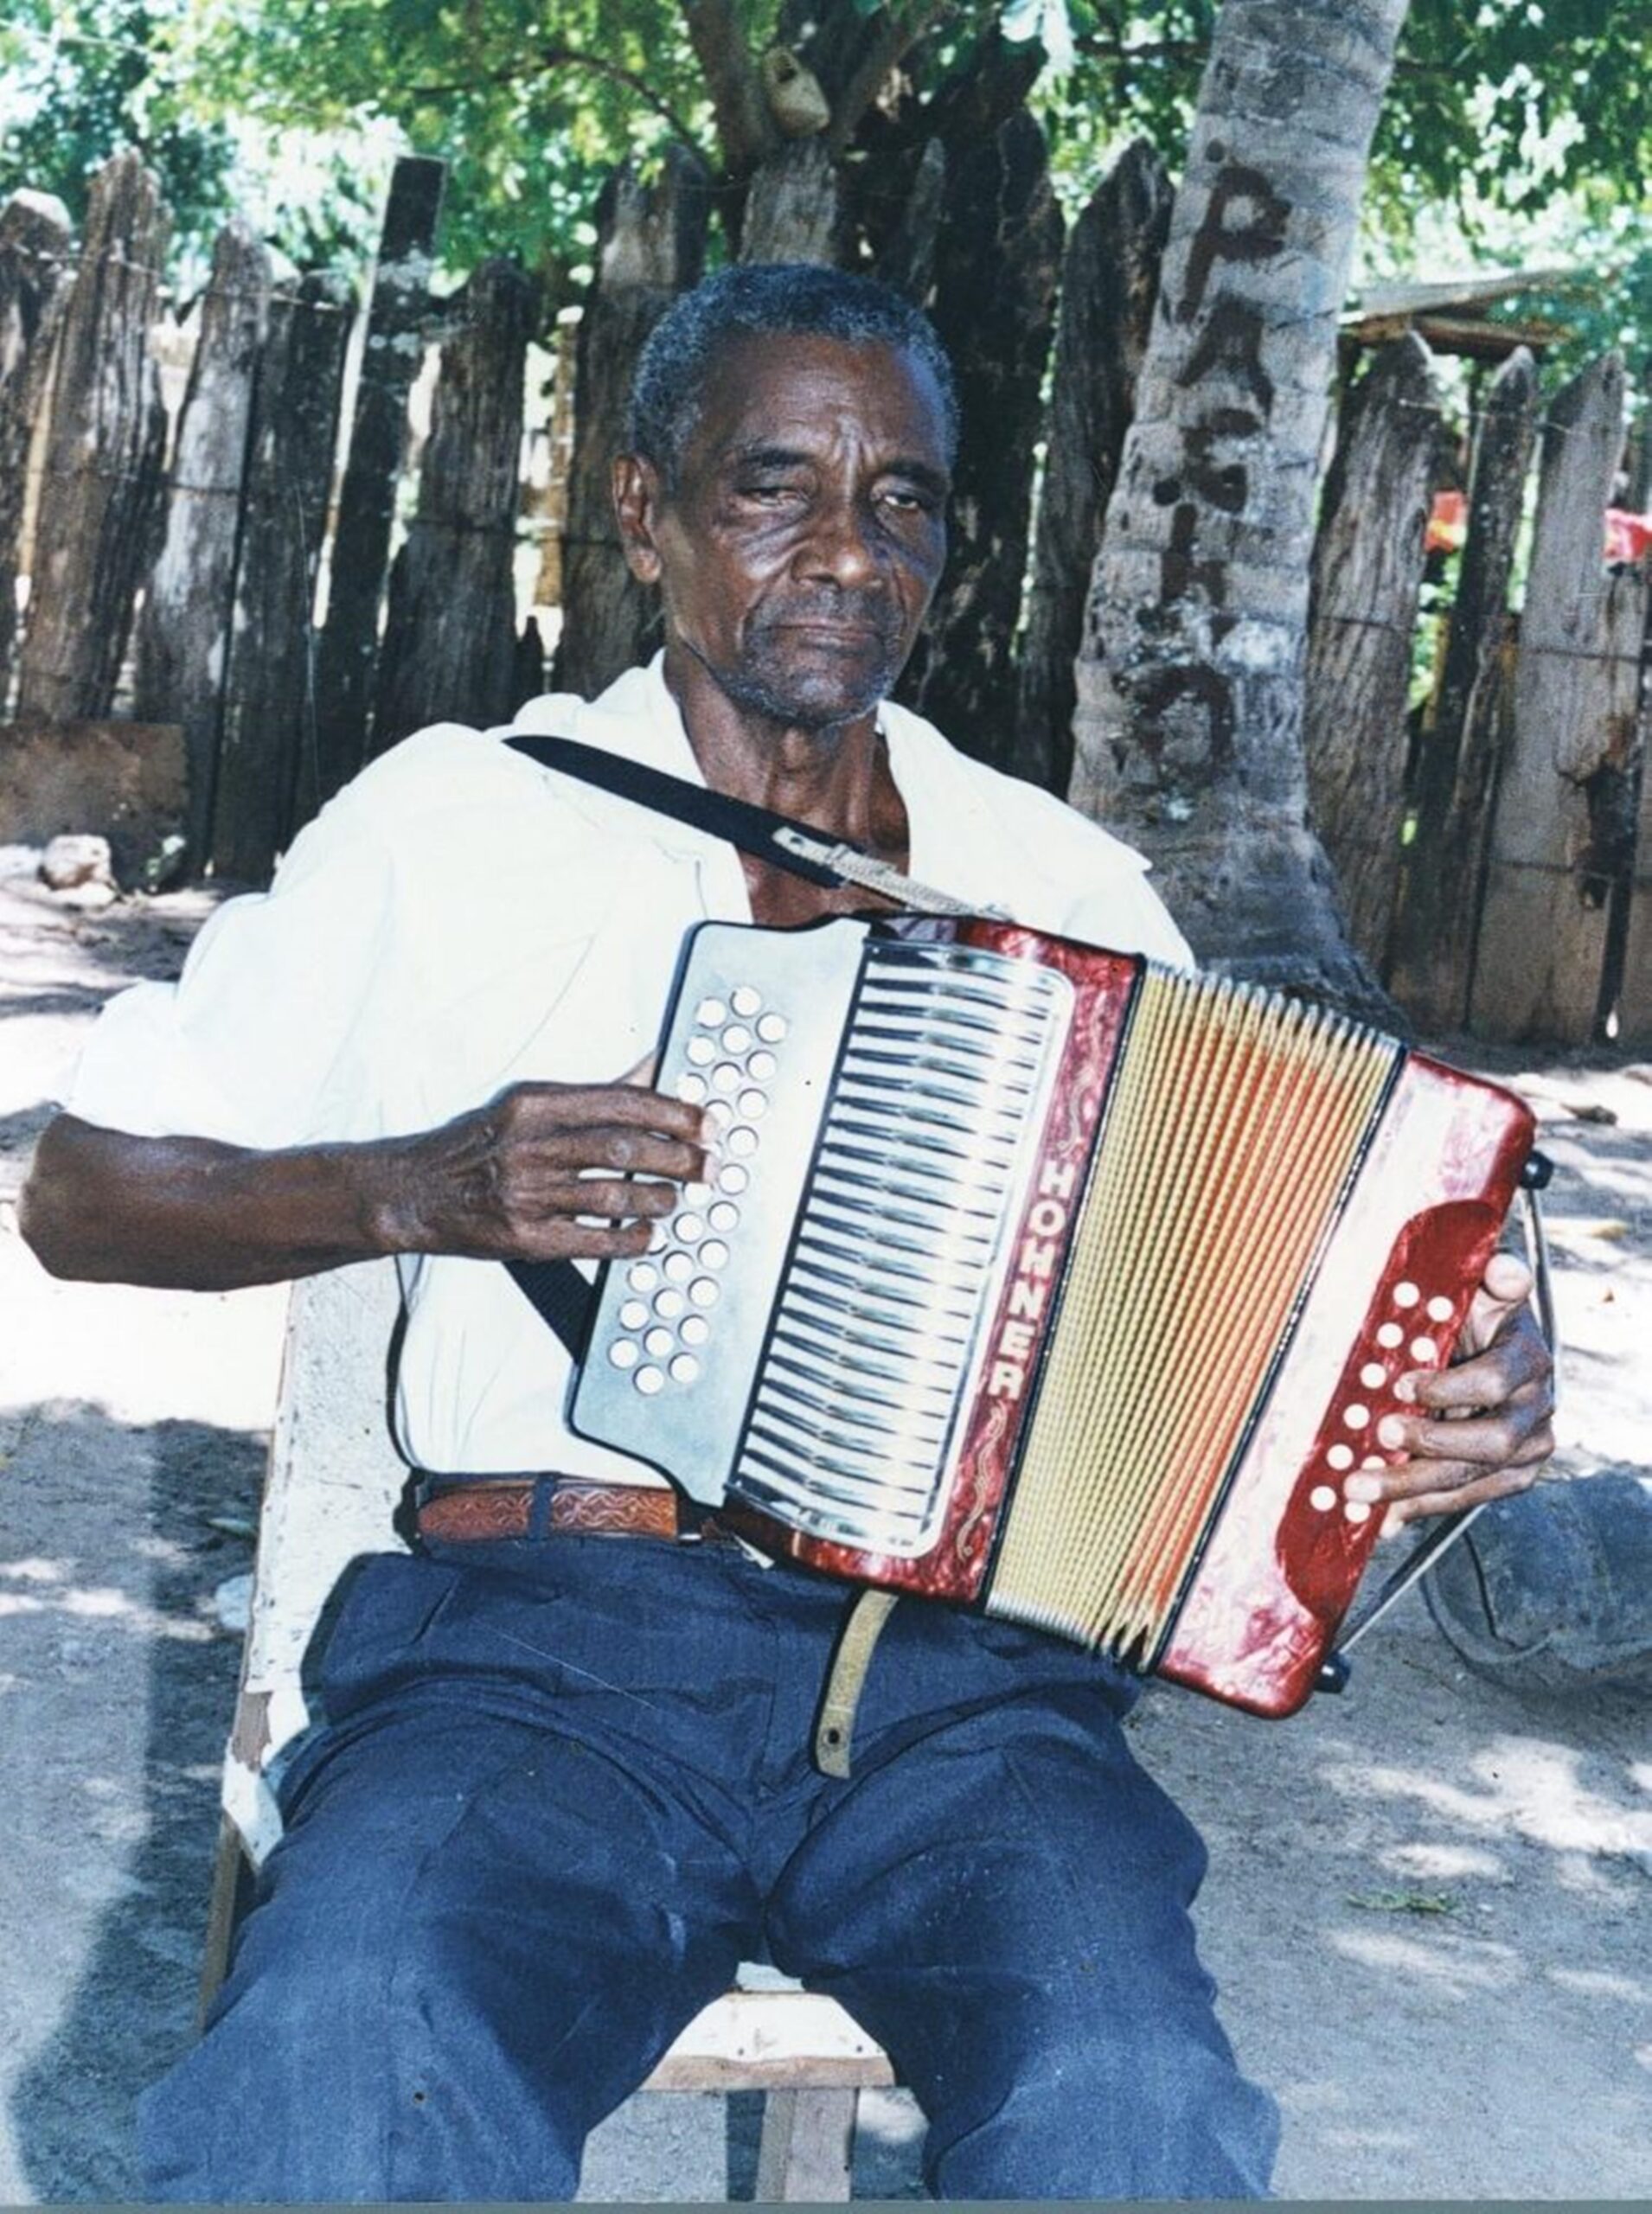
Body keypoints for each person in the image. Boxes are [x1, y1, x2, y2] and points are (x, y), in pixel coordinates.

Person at [20, 263, 1554, 2203]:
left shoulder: (1056, 880)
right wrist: (418, 1187)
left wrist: (1441, 1394)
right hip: (540, 1654)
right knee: (337, 2073)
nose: (846, 551)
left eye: (900, 498)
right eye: (775, 485)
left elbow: (1258, 1312)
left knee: (1132, 2110)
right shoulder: (455, 823)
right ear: (643, 508)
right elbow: (82, 1192)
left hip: (968, 1696)